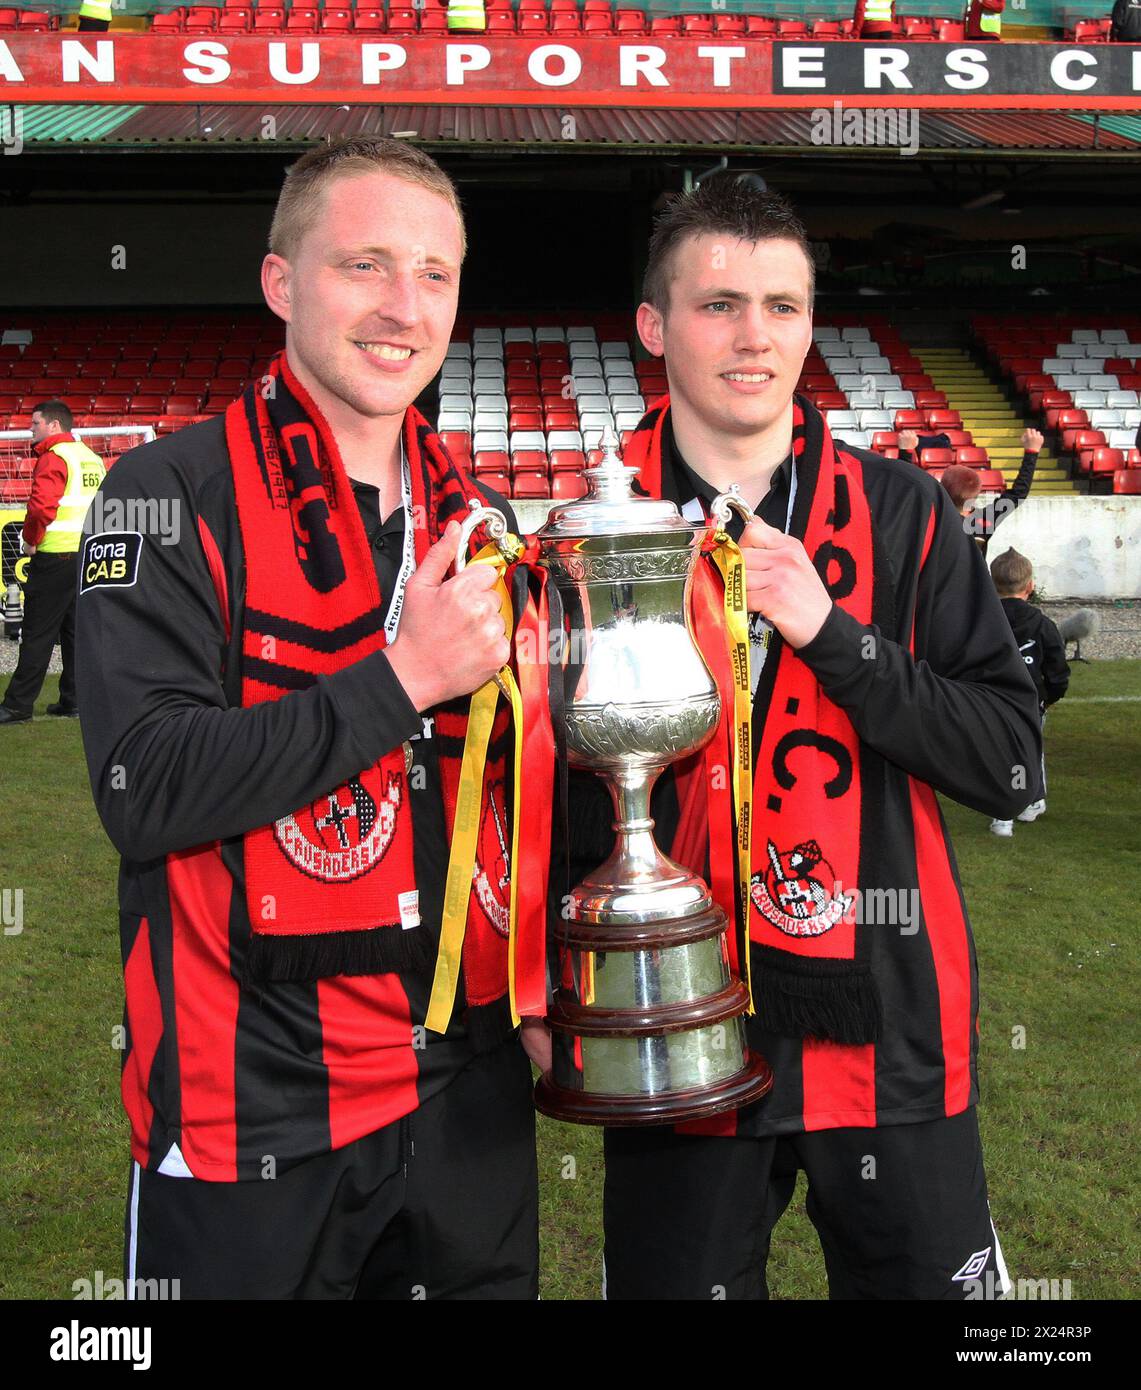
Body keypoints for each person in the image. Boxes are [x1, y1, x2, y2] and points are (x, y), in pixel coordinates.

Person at [75, 136, 542, 1300]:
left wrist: (544, 982)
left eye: (435, 274)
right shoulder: (162, 493)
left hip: (469, 1099)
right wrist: (399, 680)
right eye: (366, 265)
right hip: (254, 1108)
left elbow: (517, 790)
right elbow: (146, 785)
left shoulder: (479, 517)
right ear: (281, 285)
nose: (404, 308)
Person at [592, 178, 1042, 1300]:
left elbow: (1008, 760)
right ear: (653, 327)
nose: (756, 337)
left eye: (783, 306)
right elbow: (540, 791)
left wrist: (832, 634)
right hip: (668, 1025)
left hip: (887, 1029)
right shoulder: (586, 534)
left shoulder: (905, 513)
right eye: (719, 304)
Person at [0, 400, 104, 726]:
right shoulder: (92, 458)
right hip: (86, 556)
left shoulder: (54, 457)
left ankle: (17, 706)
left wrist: (30, 540)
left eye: (35, 423)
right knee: (74, 633)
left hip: (55, 554)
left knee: (37, 633)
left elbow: (41, 507)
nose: (32, 429)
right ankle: (73, 700)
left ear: (53, 425)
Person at [987, 547, 1069, 839]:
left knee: (1002, 754)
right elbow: (1058, 669)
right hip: (1029, 703)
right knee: (1029, 751)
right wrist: (1051, 695)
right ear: (1030, 586)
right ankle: (1014, 811)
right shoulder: (1043, 625)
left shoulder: (984, 621)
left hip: (991, 701)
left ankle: (1021, 806)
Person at [939, 428, 1044, 556]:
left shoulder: (934, 518)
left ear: (942, 489)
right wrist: (1031, 452)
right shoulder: (984, 520)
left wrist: (908, 452)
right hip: (977, 576)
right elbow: (1018, 494)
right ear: (976, 494)